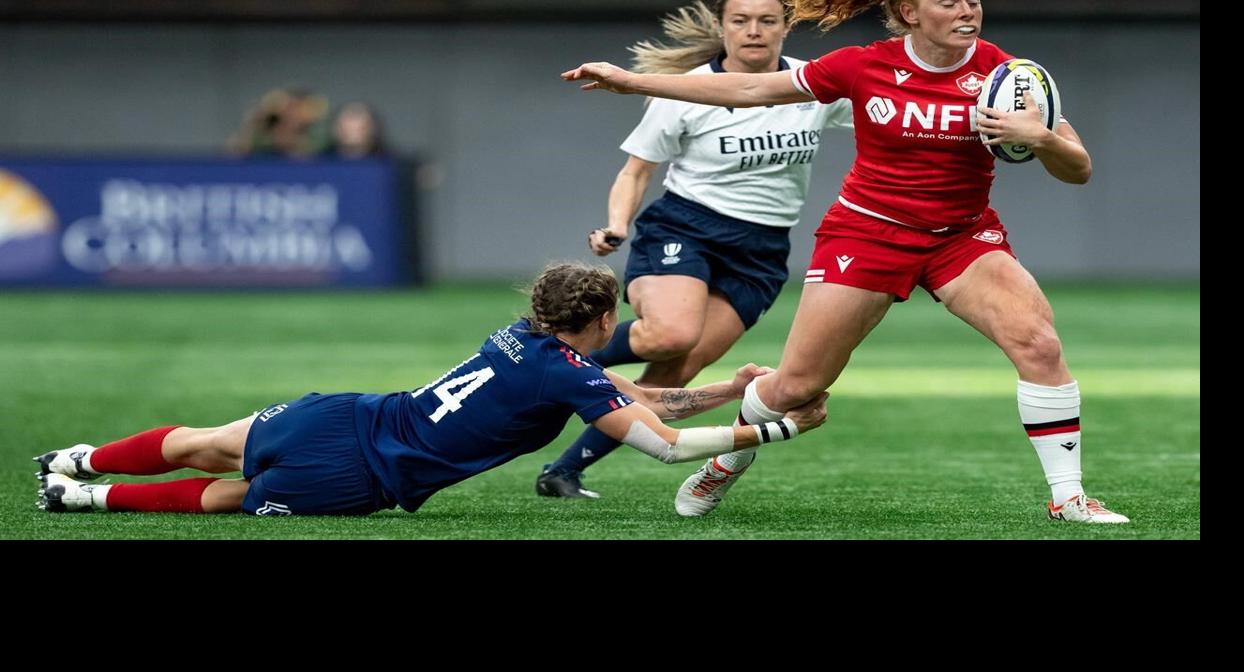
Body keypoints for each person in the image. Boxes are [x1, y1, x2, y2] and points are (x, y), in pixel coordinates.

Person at [561, 0, 1129, 523]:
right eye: (949, 0)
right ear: (909, 11)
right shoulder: (860, 66)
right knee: (796, 387)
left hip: (961, 236)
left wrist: (1044, 139)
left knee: (1040, 344)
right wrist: (629, 80)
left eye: (973, 0)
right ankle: (728, 458)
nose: (967, 10)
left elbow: (1078, 169)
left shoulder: (1008, 75)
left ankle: (1068, 498)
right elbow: (753, 91)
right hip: (867, 233)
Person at [34, 262, 827, 516]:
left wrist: (728, 385)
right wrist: (779, 428)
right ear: (598, 320)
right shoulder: (568, 371)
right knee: (221, 495)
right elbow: (665, 446)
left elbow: (630, 396)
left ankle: (79, 457)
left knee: (203, 440)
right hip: (368, 473)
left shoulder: (524, 340)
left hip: (348, 415)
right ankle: (82, 501)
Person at [535, 0, 853, 499]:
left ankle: (563, 471)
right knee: (671, 334)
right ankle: (546, 353)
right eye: (740, 20)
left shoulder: (810, 85)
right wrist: (617, 224)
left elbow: (885, 113)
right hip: (686, 227)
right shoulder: (685, 90)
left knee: (677, 371)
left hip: (763, 249)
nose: (753, 31)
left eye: (767, 20)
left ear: (786, 28)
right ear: (724, 27)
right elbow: (636, 170)